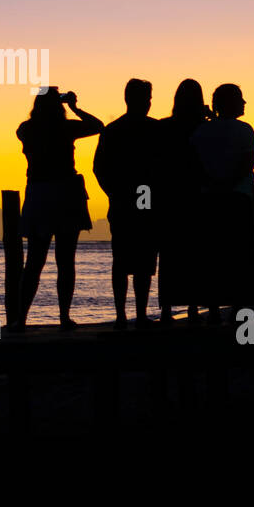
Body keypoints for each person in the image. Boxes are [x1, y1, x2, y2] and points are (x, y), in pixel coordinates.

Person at [13, 87, 103, 330]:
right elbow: (98, 125)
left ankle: (21, 319)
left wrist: (57, 102)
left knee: (34, 261)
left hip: (39, 194)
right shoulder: (66, 128)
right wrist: (73, 107)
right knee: (66, 260)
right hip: (64, 193)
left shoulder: (26, 129)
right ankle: (63, 317)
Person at [93, 79, 161, 330]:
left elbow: (99, 168)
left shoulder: (113, 130)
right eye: (147, 98)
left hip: (123, 199)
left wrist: (115, 193)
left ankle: (123, 316)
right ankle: (138, 315)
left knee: (122, 259)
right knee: (142, 259)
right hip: (143, 197)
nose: (149, 103)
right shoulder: (155, 129)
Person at [191, 84, 254, 310]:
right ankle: (239, 307)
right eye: (240, 98)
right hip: (238, 198)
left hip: (209, 198)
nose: (244, 102)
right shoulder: (245, 130)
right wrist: (229, 184)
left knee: (213, 256)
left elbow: (196, 165)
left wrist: (214, 184)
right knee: (240, 255)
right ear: (230, 103)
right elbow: (249, 163)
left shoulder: (201, 131)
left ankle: (213, 309)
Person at [156, 79, 212, 323]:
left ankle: (167, 309)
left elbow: (155, 162)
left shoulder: (164, 127)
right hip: (199, 194)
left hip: (170, 196)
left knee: (170, 255)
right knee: (199, 254)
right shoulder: (205, 127)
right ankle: (194, 308)